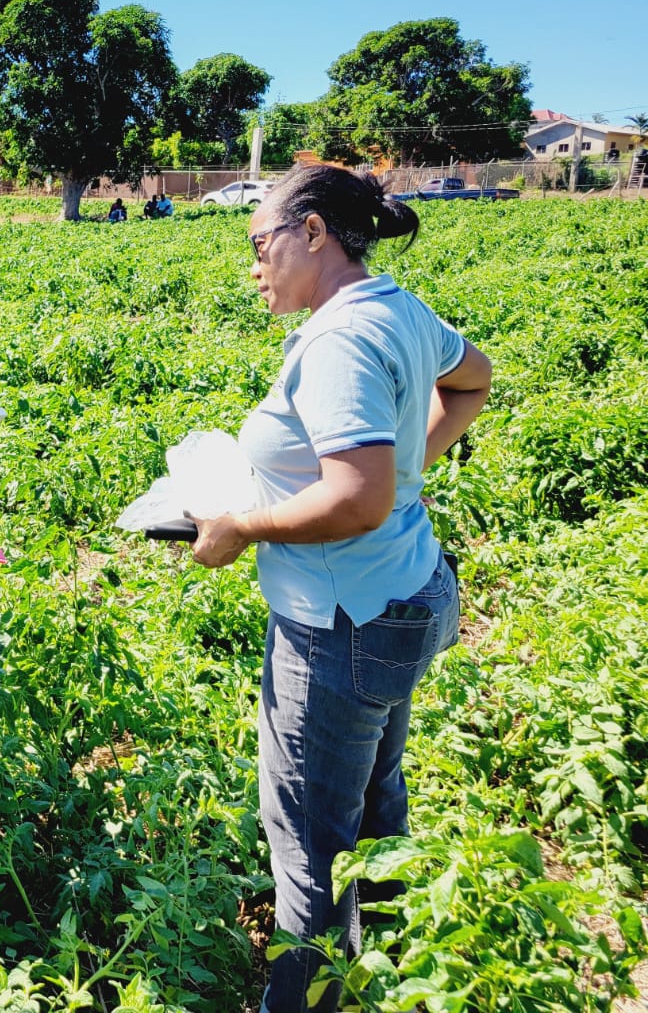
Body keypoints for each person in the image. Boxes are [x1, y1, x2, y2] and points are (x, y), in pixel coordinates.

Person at [185, 164, 492, 1013]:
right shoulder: (395, 306)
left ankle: (307, 999)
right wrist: (407, 474)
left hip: (340, 621)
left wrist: (242, 527)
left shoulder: (338, 341)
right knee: (374, 807)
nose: (254, 266)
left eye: (260, 245)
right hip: (406, 592)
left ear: (313, 232)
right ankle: (396, 977)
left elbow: (355, 496)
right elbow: (474, 379)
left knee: (311, 840)